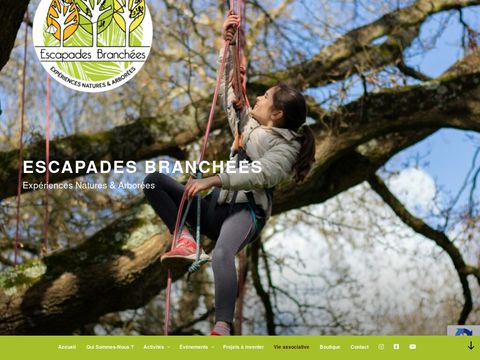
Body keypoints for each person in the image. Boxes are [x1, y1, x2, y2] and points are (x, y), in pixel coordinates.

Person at [143, 13, 316, 336]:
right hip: (215, 208)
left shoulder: (287, 148)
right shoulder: (247, 125)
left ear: (276, 114)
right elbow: (227, 91)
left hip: (244, 212)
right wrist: (228, 47)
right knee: (154, 181)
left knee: (223, 252)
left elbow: (262, 174)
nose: (259, 98)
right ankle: (184, 239)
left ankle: (222, 326)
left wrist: (213, 179)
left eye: (264, 98)